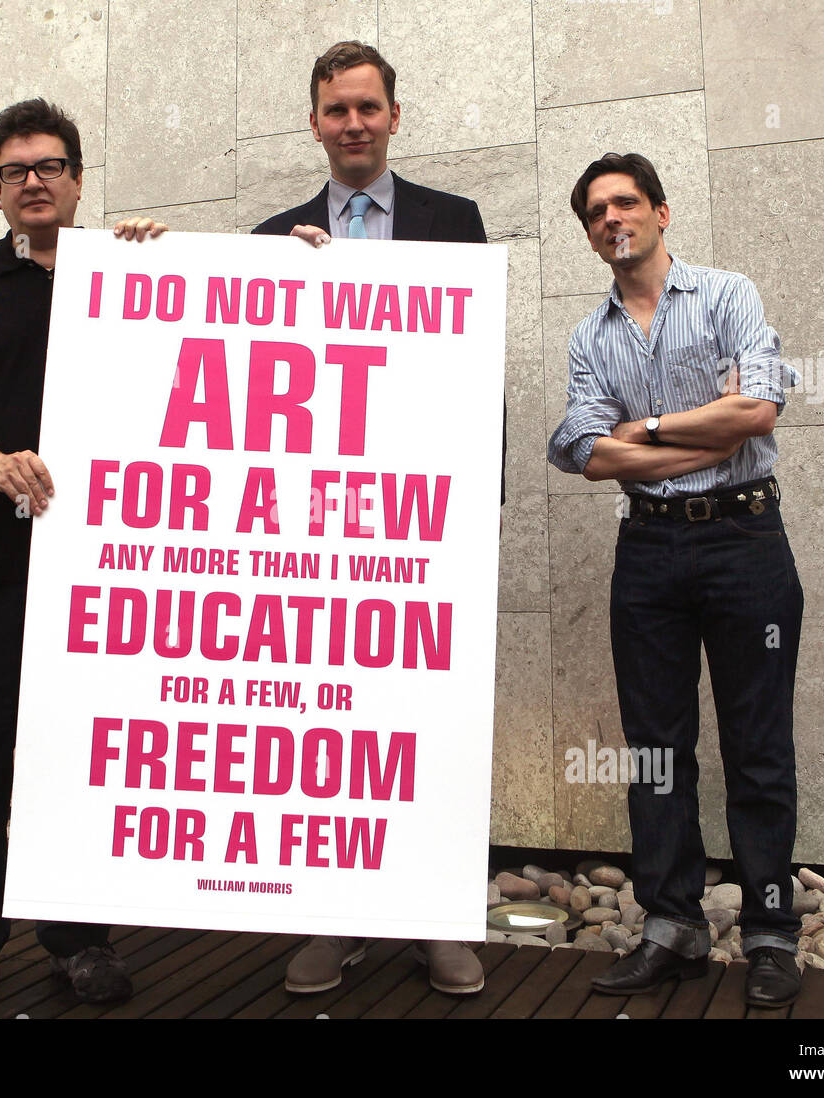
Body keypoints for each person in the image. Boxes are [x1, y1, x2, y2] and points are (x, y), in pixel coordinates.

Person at [0, 98, 166, 1019]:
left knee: (76, 757)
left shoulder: (127, 275)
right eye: (16, 171)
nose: (34, 181)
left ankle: (78, 940)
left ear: (79, 178)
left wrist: (168, 264)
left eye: (50, 165)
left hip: (97, 571)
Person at [252, 40, 499, 997]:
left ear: (395, 115)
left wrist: (484, 503)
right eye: (334, 110)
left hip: (422, 522)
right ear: (313, 123)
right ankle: (329, 920)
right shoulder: (272, 236)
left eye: (367, 107)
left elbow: (473, 374)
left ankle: (435, 921)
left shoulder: (453, 222)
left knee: (425, 724)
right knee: (326, 729)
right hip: (310, 534)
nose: (352, 124)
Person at [547, 153, 803, 1008]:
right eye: (595, 213)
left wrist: (646, 429)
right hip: (649, 552)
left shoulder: (729, 294)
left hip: (744, 538)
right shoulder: (591, 336)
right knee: (657, 749)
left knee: (757, 746)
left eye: (625, 203)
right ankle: (672, 924)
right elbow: (584, 451)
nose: (611, 219)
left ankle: (771, 932)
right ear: (590, 236)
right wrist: (700, 439)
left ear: (661, 211)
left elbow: (757, 410)